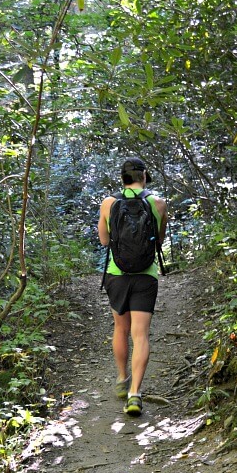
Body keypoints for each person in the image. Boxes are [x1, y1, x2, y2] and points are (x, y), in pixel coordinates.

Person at [98, 157, 167, 417]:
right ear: (144, 176)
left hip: (117, 274)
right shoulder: (158, 203)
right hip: (145, 276)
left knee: (121, 328)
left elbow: (104, 241)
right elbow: (159, 240)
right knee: (141, 335)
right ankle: (135, 393)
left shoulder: (109, 203)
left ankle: (121, 377)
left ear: (122, 178)